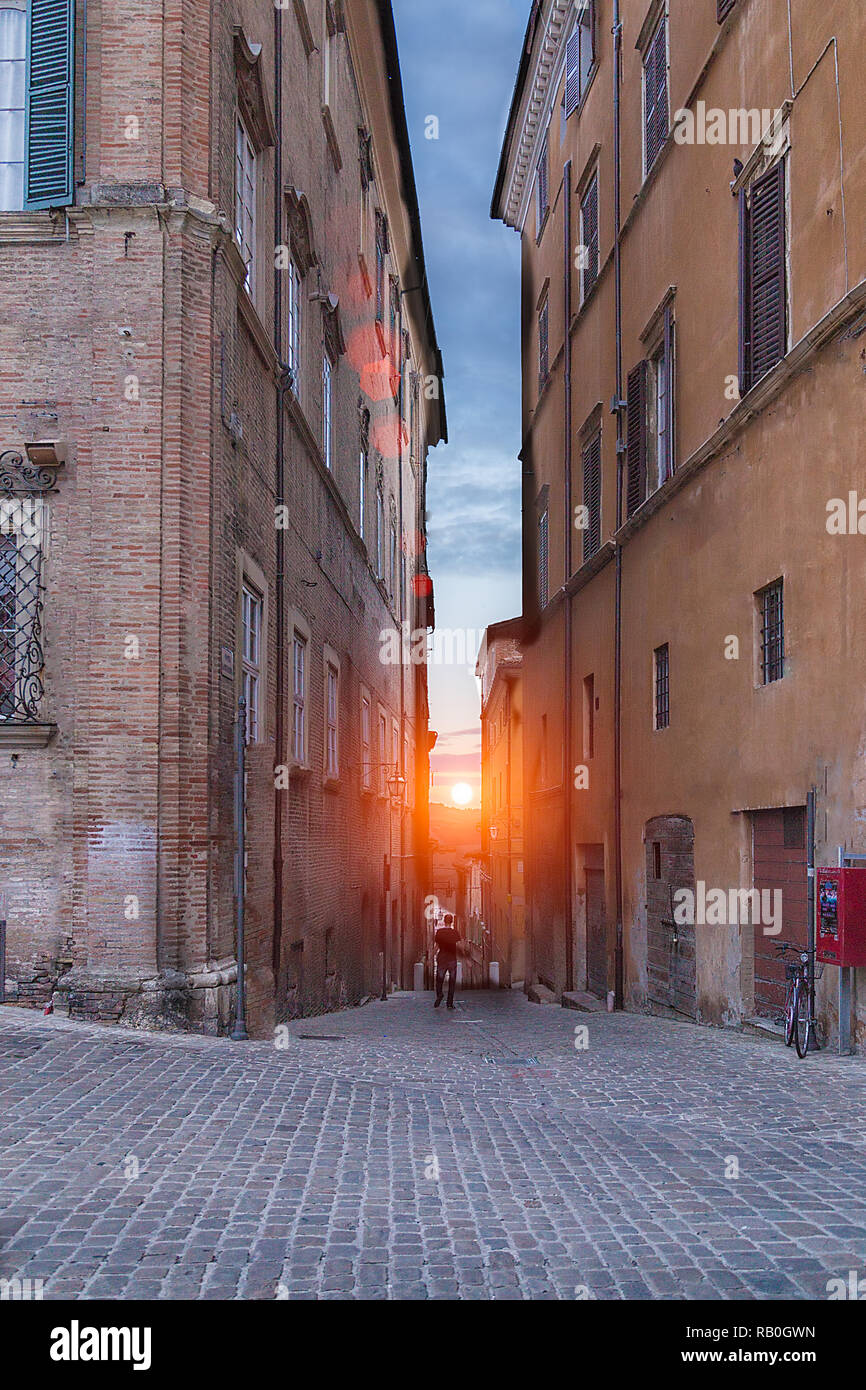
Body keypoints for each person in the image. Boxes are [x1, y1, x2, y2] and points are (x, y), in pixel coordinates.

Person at [434, 914, 461, 1009]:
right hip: (452, 959)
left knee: (439, 979)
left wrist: (431, 957)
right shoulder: (455, 933)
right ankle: (449, 1003)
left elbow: (436, 947)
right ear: (452, 921)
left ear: (444, 921)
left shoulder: (439, 932)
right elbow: (459, 947)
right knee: (452, 981)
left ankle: (440, 994)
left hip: (442, 958)